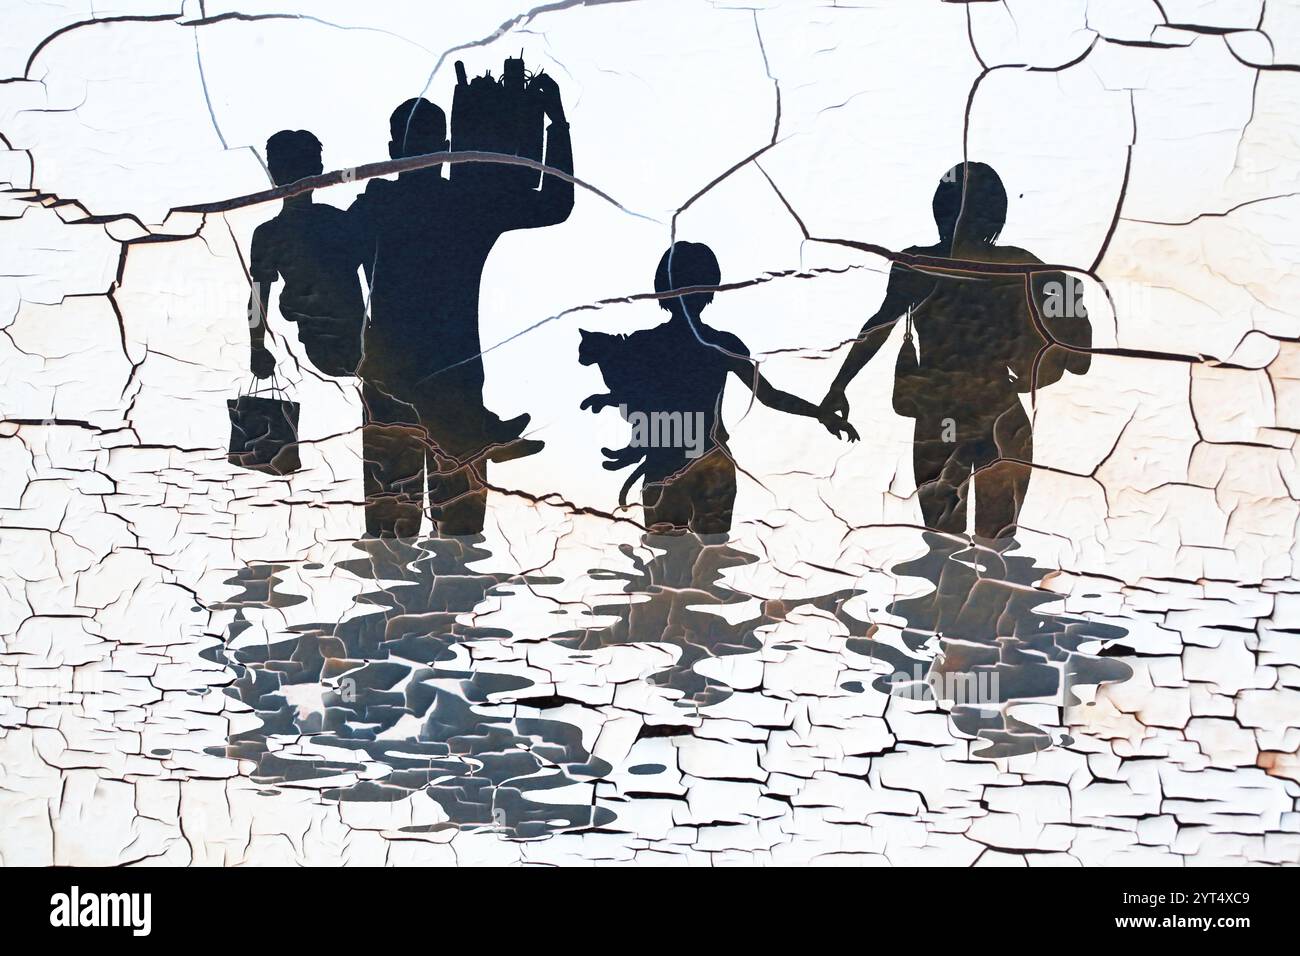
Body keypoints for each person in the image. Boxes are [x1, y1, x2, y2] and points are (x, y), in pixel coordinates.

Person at [350, 76, 572, 537]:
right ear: (447, 145)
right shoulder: (467, 204)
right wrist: (556, 124)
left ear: (393, 148)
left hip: (391, 386)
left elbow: (323, 269)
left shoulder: (377, 206)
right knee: (460, 542)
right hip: (453, 390)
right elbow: (556, 202)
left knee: (391, 542)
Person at [821, 162, 1091, 539]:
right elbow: (1080, 358)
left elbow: (879, 327)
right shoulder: (1021, 266)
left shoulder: (917, 265)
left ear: (939, 209)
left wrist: (839, 386)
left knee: (942, 550)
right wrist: (1042, 363)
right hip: (1000, 414)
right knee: (998, 552)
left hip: (939, 416)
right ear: (996, 213)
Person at [579, 241, 858, 536]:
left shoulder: (643, 344)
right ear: (711, 289)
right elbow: (769, 396)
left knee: (665, 564)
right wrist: (819, 413)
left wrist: (631, 440)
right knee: (710, 561)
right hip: (711, 464)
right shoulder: (722, 344)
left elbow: (638, 403)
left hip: (665, 464)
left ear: (662, 289)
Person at [247, 129, 365, 379]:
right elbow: (258, 300)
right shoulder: (339, 222)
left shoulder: (270, 234)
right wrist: (256, 347)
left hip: (331, 344)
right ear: (319, 169)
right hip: (351, 341)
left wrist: (257, 346)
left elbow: (258, 300)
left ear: (273, 173)